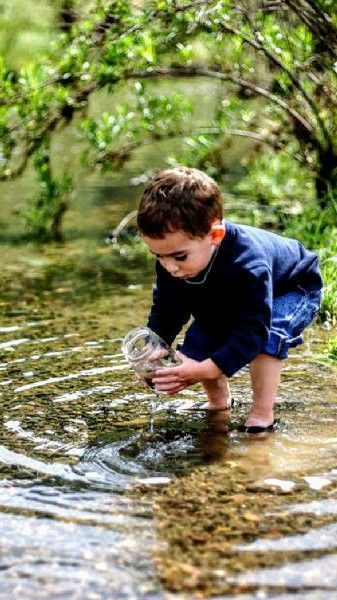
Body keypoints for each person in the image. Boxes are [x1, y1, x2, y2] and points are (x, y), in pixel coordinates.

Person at [136, 166, 323, 433]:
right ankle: (219, 404)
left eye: (178, 257)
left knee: (269, 338)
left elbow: (252, 332)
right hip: (231, 291)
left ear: (215, 236)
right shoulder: (173, 259)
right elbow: (167, 307)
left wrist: (205, 370)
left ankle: (261, 415)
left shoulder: (249, 265)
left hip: (292, 286)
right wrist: (155, 349)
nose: (170, 267)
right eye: (158, 256)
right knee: (199, 342)